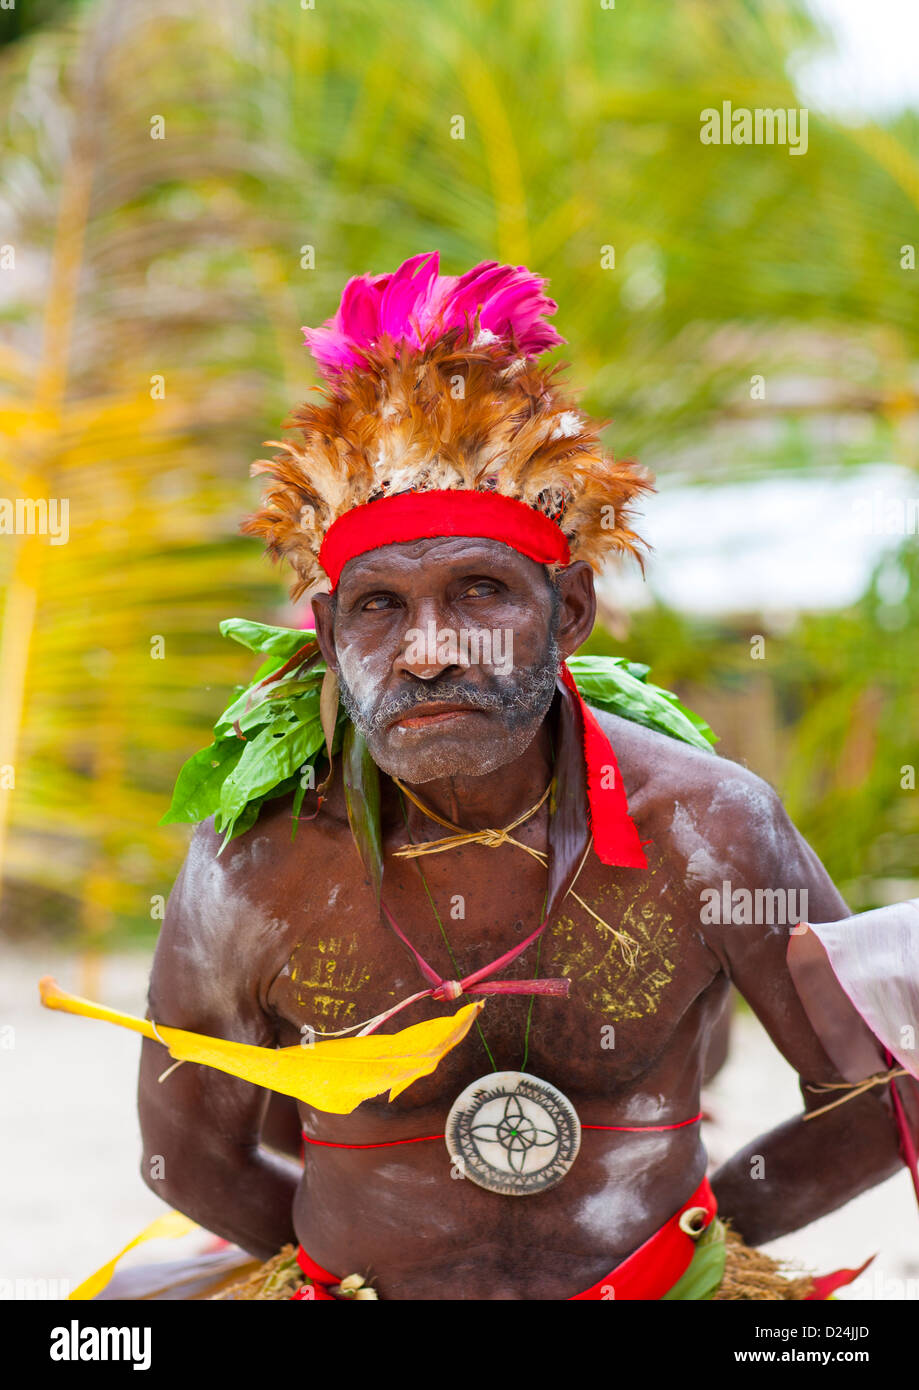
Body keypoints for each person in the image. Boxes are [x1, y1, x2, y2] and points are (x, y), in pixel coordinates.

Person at [135, 253, 918, 1301]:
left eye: (480, 591)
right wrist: (353, 1268)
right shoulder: (256, 863)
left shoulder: (708, 828)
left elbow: (877, 1094)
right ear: (326, 634)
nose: (428, 650)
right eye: (379, 607)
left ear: (572, 612)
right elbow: (188, 1156)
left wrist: (694, 1250)